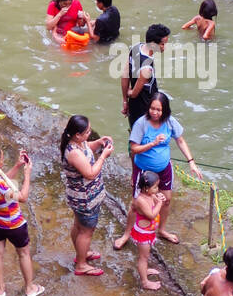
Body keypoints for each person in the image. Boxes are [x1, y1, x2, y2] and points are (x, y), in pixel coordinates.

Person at [115, 91, 201, 248]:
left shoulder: (170, 122)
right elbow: (134, 148)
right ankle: (126, 234)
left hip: (164, 169)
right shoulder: (141, 124)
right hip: (144, 171)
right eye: (152, 109)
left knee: (166, 200)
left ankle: (161, 230)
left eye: (158, 110)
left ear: (165, 110)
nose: (155, 113)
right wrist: (152, 144)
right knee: (135, 204)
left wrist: (191, 162)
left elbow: (180, 140)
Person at [0, 144, 44, 296]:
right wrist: (27, 174)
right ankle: (30, 288)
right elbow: (22, 197)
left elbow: (3, 180)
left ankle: (1, 288)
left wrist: (17, 166)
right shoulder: (1, 185)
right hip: (14, 225)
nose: (3, 162)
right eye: (1, 159)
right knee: (24, 254)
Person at [60, 114, 113, 276]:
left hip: (80, 197)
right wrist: (103, 156)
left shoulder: (78, 144)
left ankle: (81, 254)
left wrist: (98, 143)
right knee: (86, 231)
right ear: (77, 134)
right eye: (87, 131)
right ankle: (81, 264)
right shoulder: (73, 153)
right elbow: (90, 173)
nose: (89, 134)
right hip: (84, 199)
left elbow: (86, 148)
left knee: (78, 226)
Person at [121, 24, 169, 127]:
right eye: (162, 44)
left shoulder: (136, 48)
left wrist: (125, 100)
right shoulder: (146, 68)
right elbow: (134, 93)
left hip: (133, 108)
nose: (164, 47)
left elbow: (125, 75)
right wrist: (129, 93)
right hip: (146, 112)